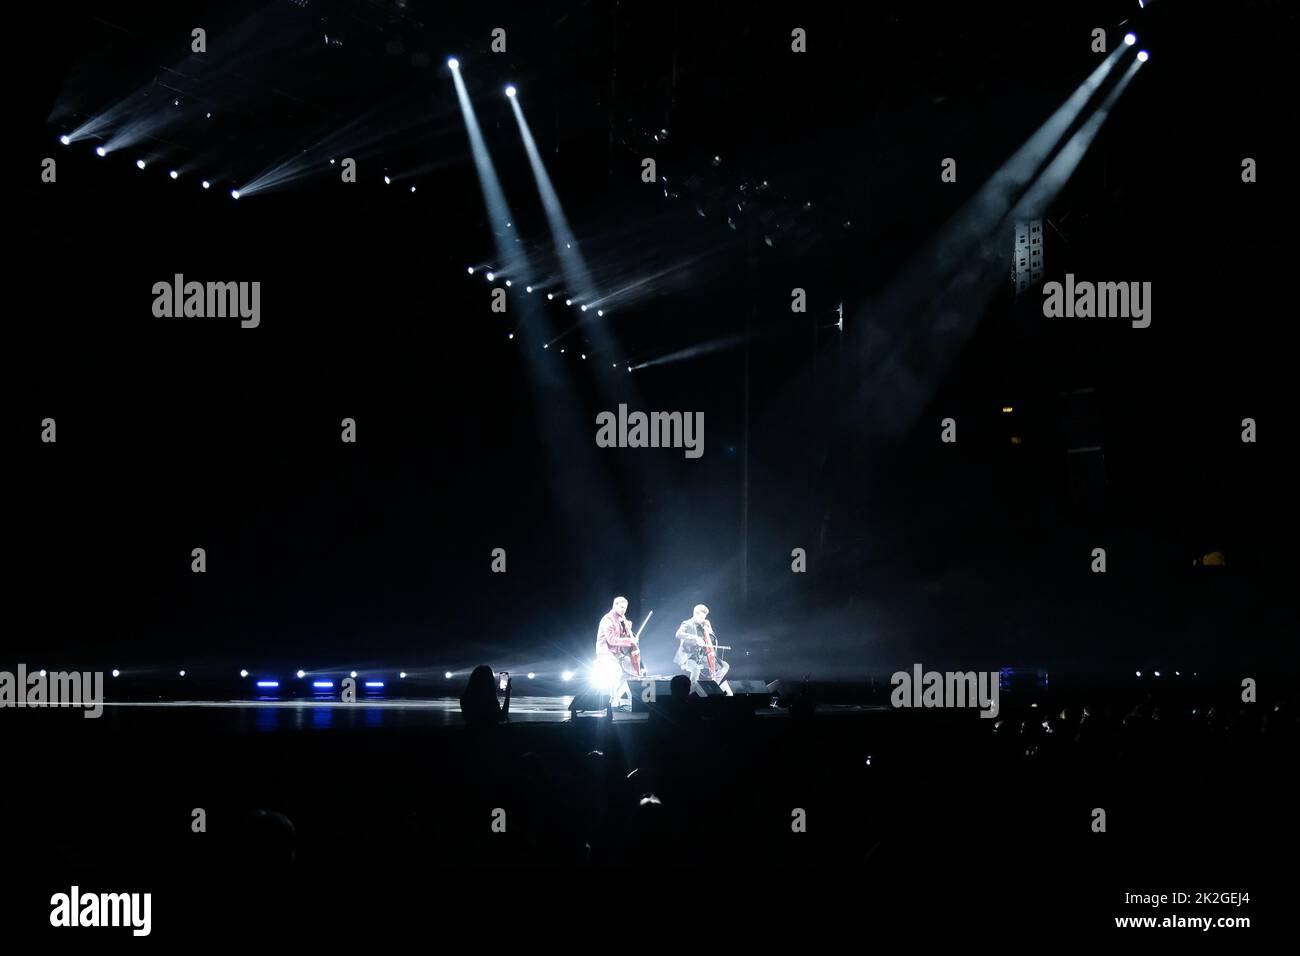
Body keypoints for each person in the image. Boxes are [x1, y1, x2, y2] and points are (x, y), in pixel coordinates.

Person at [595, 596, 639, 709]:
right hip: (605, 652)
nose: (624, 610)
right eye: (622, 607)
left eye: (625, 608)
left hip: (616, 652)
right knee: (616, 670)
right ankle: (612, 699)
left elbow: (621, 638)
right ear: (615, 605)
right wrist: (630, 640)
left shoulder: (620, 621)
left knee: (631, 670)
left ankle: (620, 697)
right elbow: (612, 640)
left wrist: (627, 630)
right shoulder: (607, 620)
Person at [674, 604, 728, 686]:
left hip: (701, 657)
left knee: (725, 666)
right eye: (701, 618)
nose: (703, 620)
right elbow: (678, 634)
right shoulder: (687, 623)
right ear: (695, 614)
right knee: (696, 669)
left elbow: (713, 641)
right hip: (689, 657)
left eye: (704, 618)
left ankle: (713, 686)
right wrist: (695, 638)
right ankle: (691, 692)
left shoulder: (703, 626)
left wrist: (709, 628)